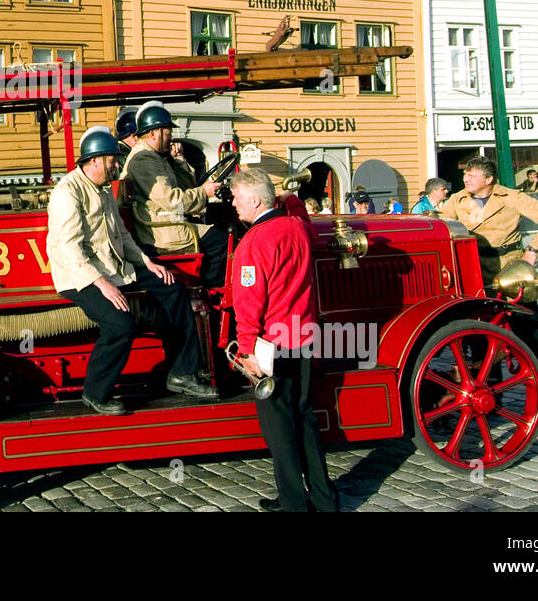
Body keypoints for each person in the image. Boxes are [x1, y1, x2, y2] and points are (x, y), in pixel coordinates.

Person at [46, 127, 217, 414]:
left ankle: (182, 373)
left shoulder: (101, 189)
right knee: (120, 325)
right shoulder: (68, 193)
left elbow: (122, 235)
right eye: (112, 160)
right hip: (80, 277)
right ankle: (96, 393)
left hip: (113, 269)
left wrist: (148, 263)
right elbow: (69, 249)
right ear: (95, 161)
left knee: (173, 288)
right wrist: (102, 284)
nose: (116, 166)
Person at [227, 169, 338, 512]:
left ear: (255, 200)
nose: (233, 203)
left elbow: (248, 301)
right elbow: (300, 212)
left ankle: (293, 504)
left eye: (237, 197)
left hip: (270, 345)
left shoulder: (253, 242)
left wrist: (246, 349)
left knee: (279, 429)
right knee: (304, 417)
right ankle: (323, 498)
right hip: (302, 336)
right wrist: (288, 197)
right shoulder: (298, 228)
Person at [439, 156, 538, 433]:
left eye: (473, 175)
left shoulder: (512, 197)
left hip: (509, 276)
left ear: (488, 179)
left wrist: (532, 252)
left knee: (535, 337)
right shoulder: (457, 201)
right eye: (466, 175)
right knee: (479, 338)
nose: (466, 179)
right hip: (471, 276)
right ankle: (491, 399)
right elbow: (437, 221)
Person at [120, 101, 228, 290]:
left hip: (166, 222)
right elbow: (173, 201)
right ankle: (214, 292)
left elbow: (185, 187)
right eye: (168, 133)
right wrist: (204, 192)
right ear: (155, 133)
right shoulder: (144, 160)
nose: (171, 138)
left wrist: (178, 160)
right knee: (220, 240)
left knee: (216, 225)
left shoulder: (154, 157)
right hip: (161, 231)